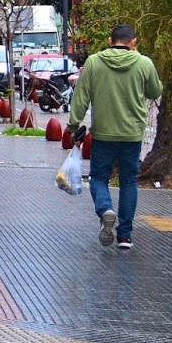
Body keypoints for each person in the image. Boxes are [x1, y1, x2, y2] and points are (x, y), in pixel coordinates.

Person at [68, 23, 163, 250]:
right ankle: (125, 237)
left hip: (103, 133)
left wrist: (73, 126)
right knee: (129, 182)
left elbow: (81, 98)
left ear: (110, 41)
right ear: (133, 42)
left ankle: (105, 209)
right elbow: (155, 91)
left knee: (99, 178)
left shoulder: (94, 62)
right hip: (132, 134)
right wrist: (140, 60)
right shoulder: (144, 63)